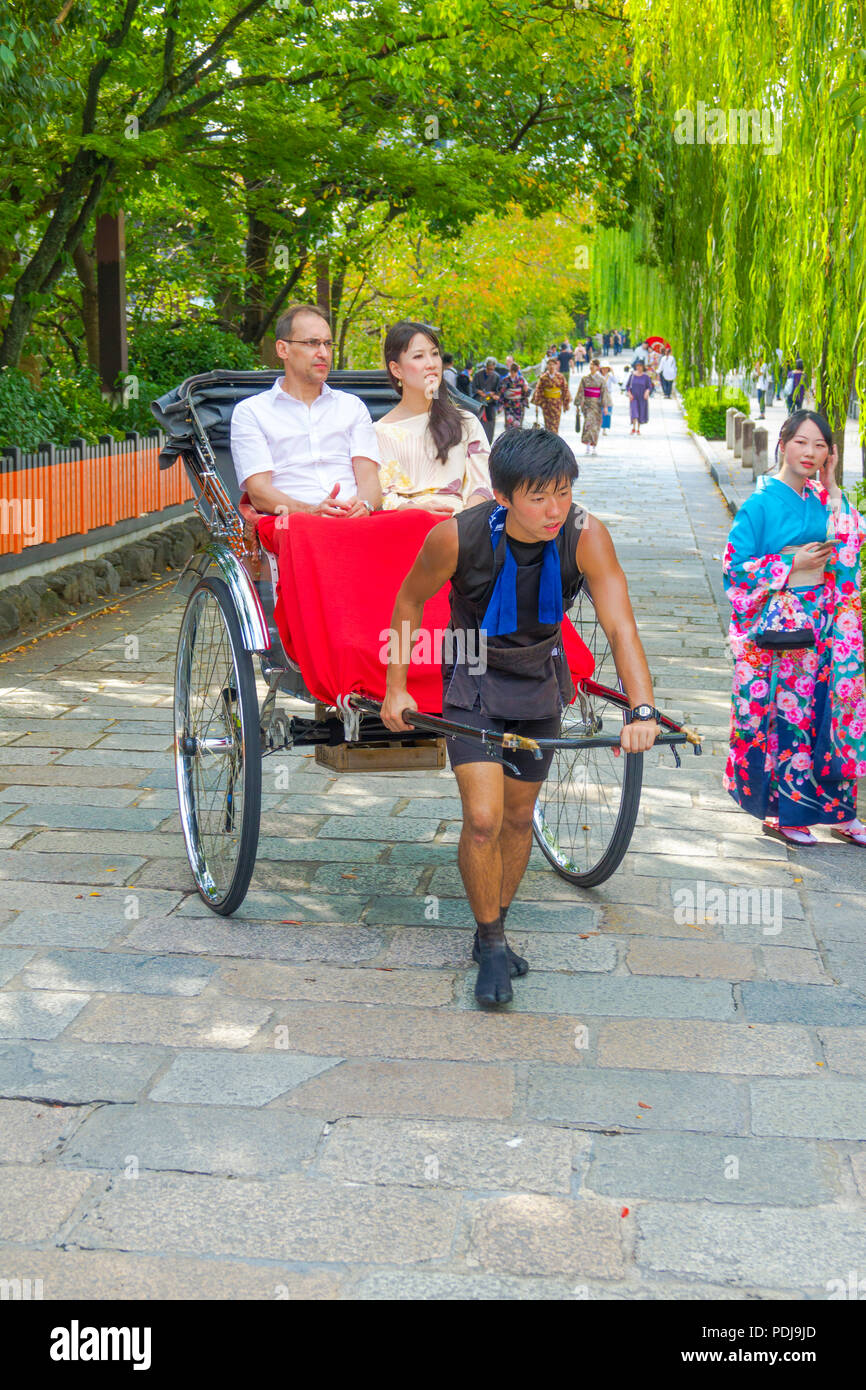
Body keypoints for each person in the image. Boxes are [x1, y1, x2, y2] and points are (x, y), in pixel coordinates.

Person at [380, 429, 661, 1005]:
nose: (554, 509)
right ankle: (489, 943)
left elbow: (620, 626)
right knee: (483, 819)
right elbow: (409, 600)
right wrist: (396, 687)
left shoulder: (585, 536)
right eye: (538, 496)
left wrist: (642, 708)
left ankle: (496, 923)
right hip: (472, 677)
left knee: (516, 819)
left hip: (539, 682)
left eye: (563, 492)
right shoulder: (454, 538)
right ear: (504, 495)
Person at [722, 409, 866, 846]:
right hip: (782, 631)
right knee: (792, 720)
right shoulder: (761, 504)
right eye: (801, 442)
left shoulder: (825, 498)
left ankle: (841, 811)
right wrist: (790, 563)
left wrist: (836, 484)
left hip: (827, 625)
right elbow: (735, 568)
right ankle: (785, 814)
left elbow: (849, 552)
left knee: (834, 715)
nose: (810, 452)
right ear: (782, 443)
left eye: (820, 445)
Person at [230, 302, 382, 517]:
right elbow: (259, 492)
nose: (323, 353)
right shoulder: (251, 412)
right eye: (312, 343)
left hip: (354, 520)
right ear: (283, 349)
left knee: (418, 523)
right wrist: (311, 512)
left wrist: (364, 506)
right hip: (293, 522)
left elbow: (369, 480)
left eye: (328, 344)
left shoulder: (352, 406)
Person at [374, 322, 493, 515]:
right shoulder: (378, 433)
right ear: (397, 370)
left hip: (462, 529)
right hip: (406, 528)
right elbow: (382, 497)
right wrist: (418, 512)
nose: (431, 363)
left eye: (435, 353)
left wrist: (461, 524)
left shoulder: (466, 422)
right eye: (419, 356)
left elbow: (482, 485)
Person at [574, 358, 610, 454]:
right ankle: (588, 445)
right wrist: (578, 404)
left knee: (595, 426)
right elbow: (581, 391)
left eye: (593, 365)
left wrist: (605, 406)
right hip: (587, 404)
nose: (591, 367)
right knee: (588, 423)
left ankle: (593, 445)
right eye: (590, 364)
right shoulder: (585, 379)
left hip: (597, 404)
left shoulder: (601, 380)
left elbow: (604, 393)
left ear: (598, 367)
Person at [531, 355, 571, 433]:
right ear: (547, 366)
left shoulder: (560, 377)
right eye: (549, 364)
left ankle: (555, 441)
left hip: (557, 404)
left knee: (555, 424)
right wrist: (537, 403)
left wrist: (566, 404)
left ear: (556, 365)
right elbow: (538, 390)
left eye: (553, 364)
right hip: (546, 404)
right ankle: (549, 442)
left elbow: (565, 390)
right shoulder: (543, 377)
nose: (551, 366)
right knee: (548, 424)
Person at [472, 357, 502, 443]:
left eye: (492, 369)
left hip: (490, 401)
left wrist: (494, 394)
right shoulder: (478, 374)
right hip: (479, 401)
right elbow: (473, 387)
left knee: (490, 420)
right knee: (478, 420)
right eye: (488, 369)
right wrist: (479, 391)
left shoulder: (496, 376)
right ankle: (477, 440)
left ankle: (489, 441)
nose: (490, 371)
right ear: (485, 366)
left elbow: (498, 390)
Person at [498, 361, 531, 430]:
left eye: (514, 372)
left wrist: (526, 390)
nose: (513, 374)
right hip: (508, 405)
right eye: (511, 372)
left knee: (517, 425)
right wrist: (500, 405)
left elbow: (525, 394)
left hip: (518, 405)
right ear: (509, 371)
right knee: (509, 424)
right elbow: (501, 393)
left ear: (517, 371)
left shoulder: (521, 380)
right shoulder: (505, 380)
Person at [626, 361, 653, 435]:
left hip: (642, 398)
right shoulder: (632, 375)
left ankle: (638, 429)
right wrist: (629, 394)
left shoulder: (646, 376)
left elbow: (649, 387)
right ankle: (633, 428)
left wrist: (647, 392)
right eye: (637, 366)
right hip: (633, 397)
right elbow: (627, 386)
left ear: (643, 367)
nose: (638, 367)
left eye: (640, 366)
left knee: (640, 413)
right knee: (635, 412)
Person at [600, 365, 614, 434]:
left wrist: (613, 372)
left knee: (607, 411)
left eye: (606, 369)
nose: (605, 370)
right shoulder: (598, 376)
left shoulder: (610, 376)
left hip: (608, 395)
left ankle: (604, 429)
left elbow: (616, 381)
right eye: (603, 369)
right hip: (599, 395)